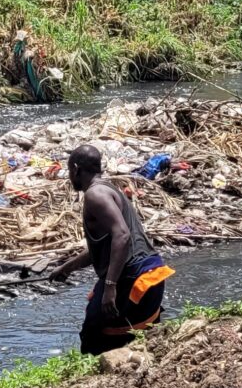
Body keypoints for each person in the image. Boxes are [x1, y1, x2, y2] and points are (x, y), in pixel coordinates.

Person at [50, 144, 174, 355]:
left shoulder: (95, 195)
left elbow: (122, 235)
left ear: (76, 169)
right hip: (152, 273)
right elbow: (103, 247)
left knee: (93, 337)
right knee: (138, 340)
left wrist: (110, 286)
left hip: (133, 279)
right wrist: (66, 268)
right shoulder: (109, 189)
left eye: (70, 171)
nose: (70, 176)